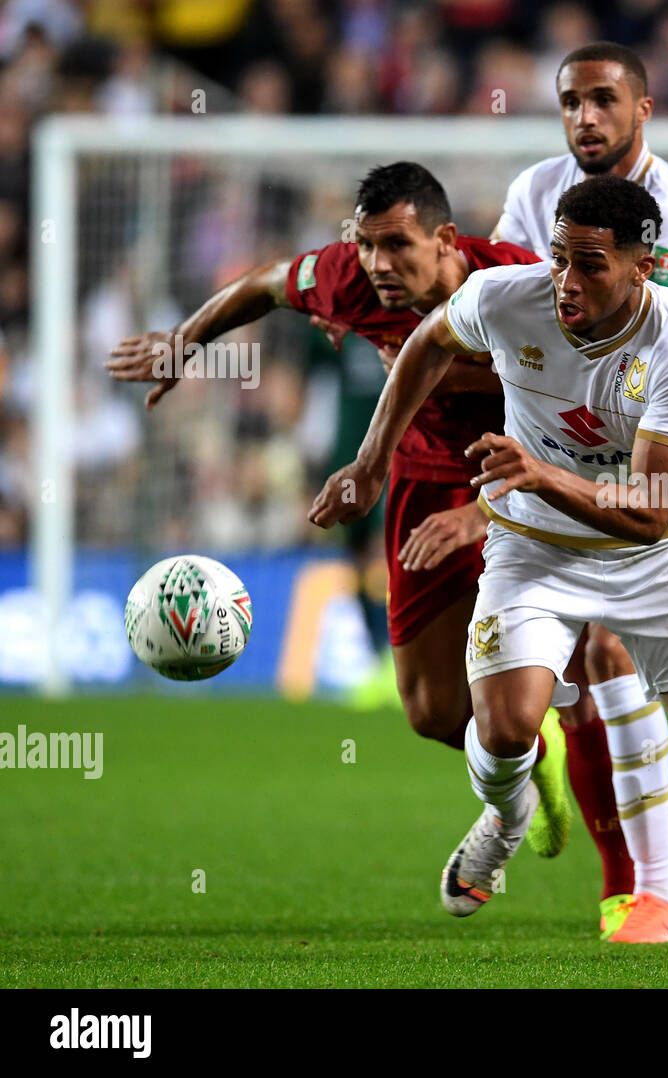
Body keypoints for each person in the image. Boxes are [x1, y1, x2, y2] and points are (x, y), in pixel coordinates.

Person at [309, 176, 668, 963]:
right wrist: (370, 461)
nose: (565, 281)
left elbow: (651, 510)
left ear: (643, 266)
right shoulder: (504, 297)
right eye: (558, 258)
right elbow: (426, 344)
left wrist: (540, 472)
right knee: (501, 728)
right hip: (536, 549)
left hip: (661, 551)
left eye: (590, 264)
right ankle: (509, 814)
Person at [104, 162, 573, 855]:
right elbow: (263, 283)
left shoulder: (513, 281)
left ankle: (639, 860)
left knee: (594, 665)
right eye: (365, 245)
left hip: (520, 472)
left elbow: (579, 388)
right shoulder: (346, 278)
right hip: (419, 477)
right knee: (429, 709)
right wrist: (185, 341)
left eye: (397, 247)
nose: (378, 264)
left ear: (446, 239)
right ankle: (536, 760)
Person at [491, 40, 668, 943]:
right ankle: (660, 835)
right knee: (574, 655)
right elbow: (519, 301)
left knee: (610, 633)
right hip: (593, 428)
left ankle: (656, 892)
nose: (585, 118)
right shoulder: (535, 191)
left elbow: (617, 340)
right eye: (571, 101)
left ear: (644, 110)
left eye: (604, 100)